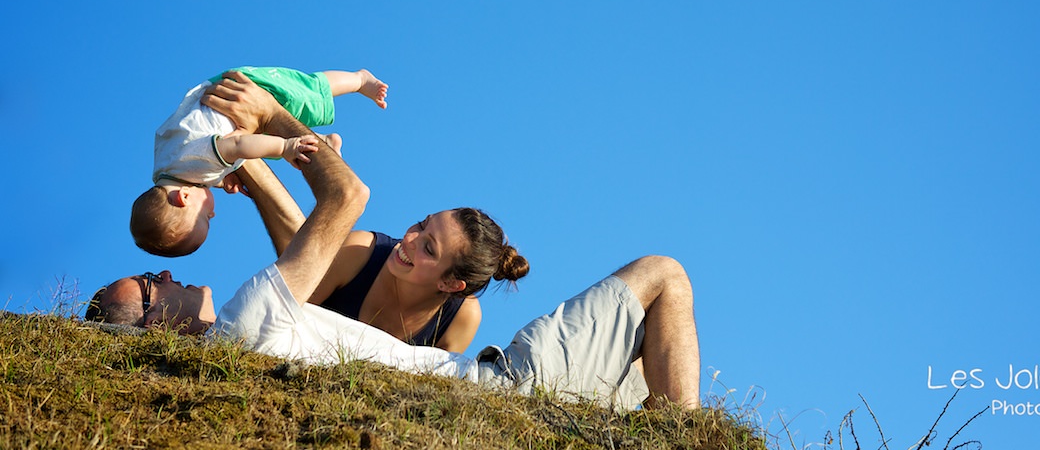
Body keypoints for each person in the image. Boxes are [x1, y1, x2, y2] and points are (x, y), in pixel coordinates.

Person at [89, 71, 700, 409]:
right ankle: (689, 434)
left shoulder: (245, 332)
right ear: (155, 329)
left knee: (647, 375)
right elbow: (346, 199)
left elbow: (306, 251)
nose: (163, 274)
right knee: (664, 274)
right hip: (505, 387)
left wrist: (235, 159)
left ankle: (675, 427)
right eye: (147, 285)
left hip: (510, 396)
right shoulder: (240, 327)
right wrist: (270, 114)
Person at [237, 155, 528, 352]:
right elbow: (281, 309)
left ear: (450, 284)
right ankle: (239, 153)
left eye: (428, 248)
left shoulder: (460, 318)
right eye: (422, 224)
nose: (409, 239)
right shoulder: (360, 252)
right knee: (301, 249)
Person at [131, 66, 388, 258]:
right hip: (231, 110)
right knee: (267, 145)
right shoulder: (168, 170)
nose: (213, 213)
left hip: (243, 90)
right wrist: (222, 176)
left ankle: (359, 80)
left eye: (206, 217)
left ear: (184, 197)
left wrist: (285, 147)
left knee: (305, 95)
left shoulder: (193, 162)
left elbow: (237, 145)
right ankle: (323, 141)